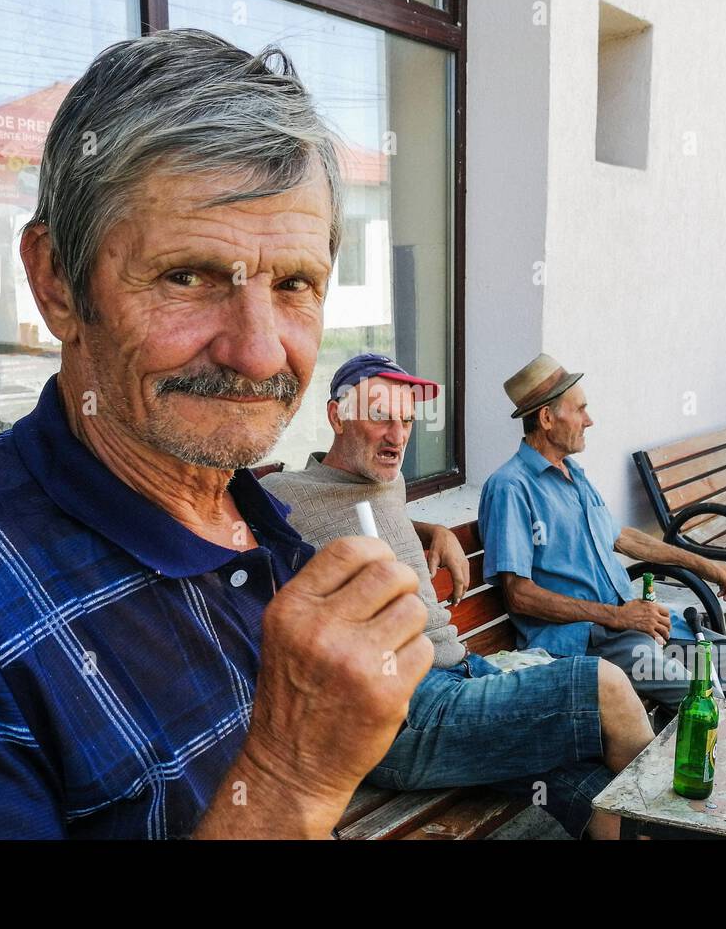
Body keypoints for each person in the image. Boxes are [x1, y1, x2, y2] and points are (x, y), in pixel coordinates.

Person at [0, 29, 433, 839]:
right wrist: (290, 777)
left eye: (295, 284)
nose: (259, 353)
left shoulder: (253, 515)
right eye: (188, 276)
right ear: (57, 280)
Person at [262, 353, 655, 839]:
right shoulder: (281, 498)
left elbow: (370, 512)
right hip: (398, 712)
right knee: (605, 685)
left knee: (592, 788)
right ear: (336, 417)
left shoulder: (386, 481)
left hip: (462, 675)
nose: (397, 436)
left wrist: (435, 531)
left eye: (407, 420)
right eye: (380, 416)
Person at [479, 354, 726, 715]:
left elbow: (623, 538)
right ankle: (704, 750)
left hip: (632, 627)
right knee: (701, 695)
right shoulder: (511, 487)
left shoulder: (574, 475)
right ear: (546, 418)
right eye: (580, 410)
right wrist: (617, 617)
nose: (589, 420)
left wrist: (706, 565)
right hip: (587, 640)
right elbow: (519, 595)